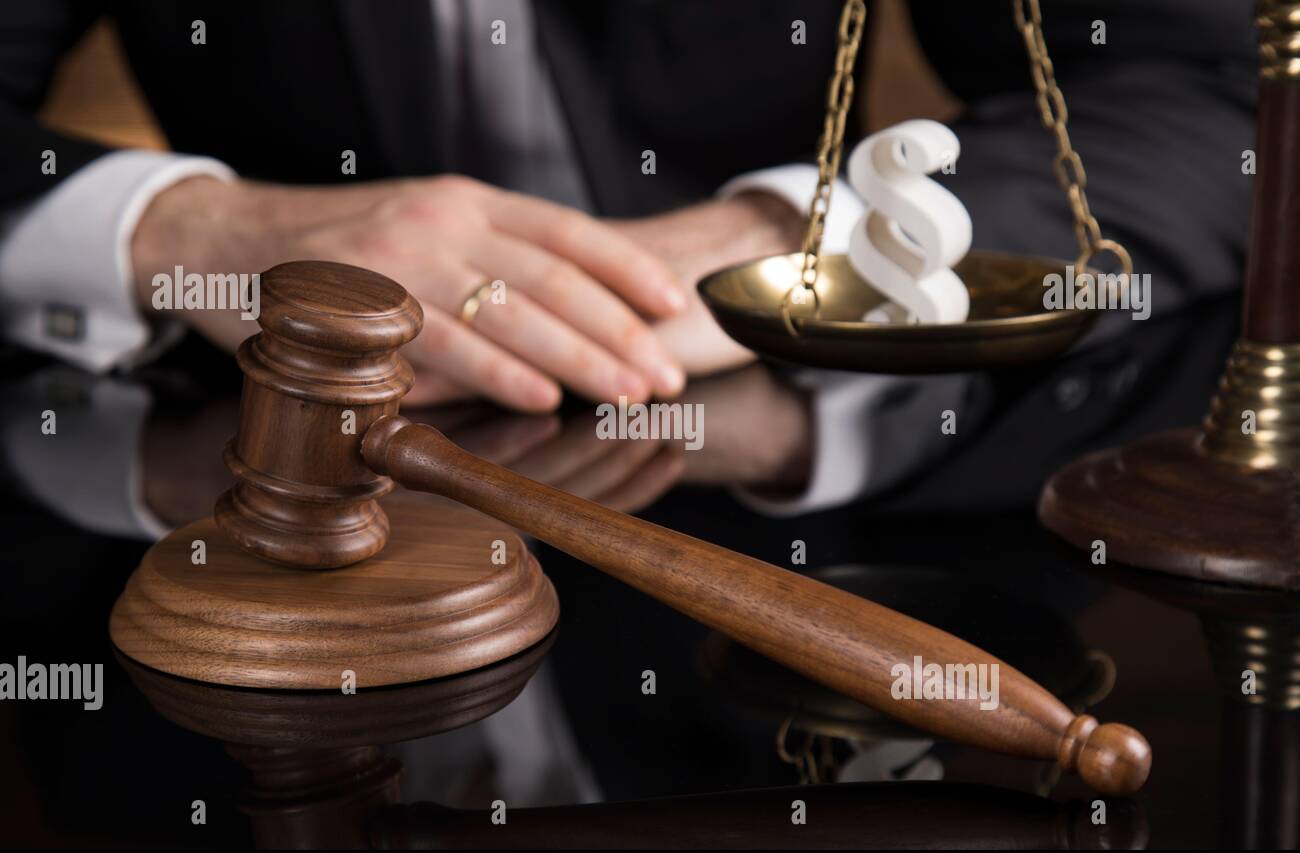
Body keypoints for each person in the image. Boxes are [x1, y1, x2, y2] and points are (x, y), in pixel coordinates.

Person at [0, 0, 1258, 520]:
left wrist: (797, 238)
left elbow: (1212, 87)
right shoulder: (141, 813)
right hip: (251, 428)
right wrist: (186, 231)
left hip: (737, 405)